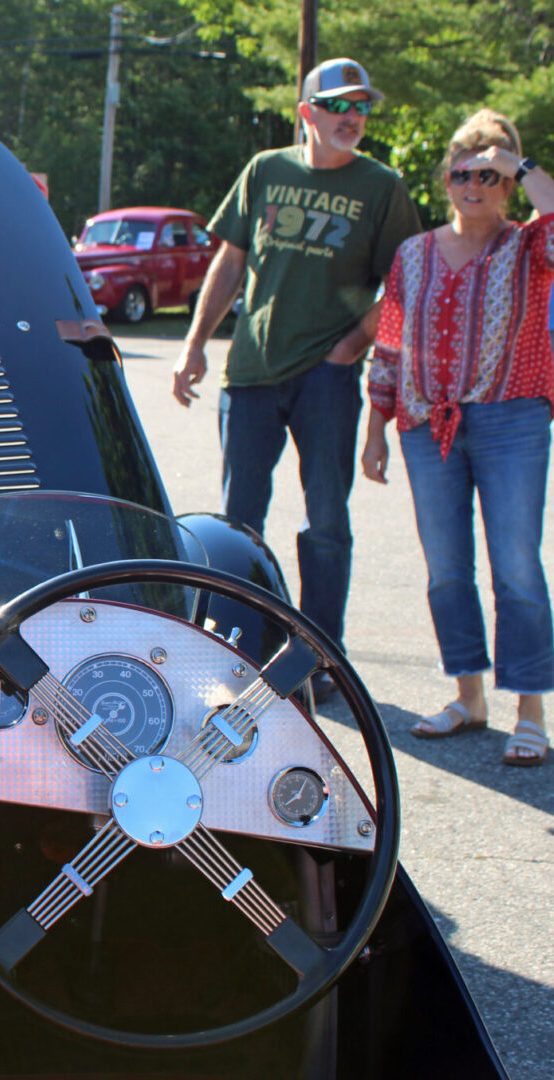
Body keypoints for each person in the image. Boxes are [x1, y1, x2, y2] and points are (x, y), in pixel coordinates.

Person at [172, 58, 421, 699]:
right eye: (339, 106)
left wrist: (349, 347)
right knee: (239, 523)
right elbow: (230, 263)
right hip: (251, 370)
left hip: (326, 379)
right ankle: (234, 649)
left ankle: (319, 657)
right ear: (307, 112)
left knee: (326, 520)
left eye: (362, 108)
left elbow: (404, 284)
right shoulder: (265, 171)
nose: (353, 118)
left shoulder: (382, 187)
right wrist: (194, 344)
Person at [362, 110, 554, 766]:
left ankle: (529, 707)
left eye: (487, 174)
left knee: (516, 568)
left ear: (506, 184)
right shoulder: (412, 253)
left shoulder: (529, 247)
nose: (471, 184)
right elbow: (388, 345)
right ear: (443, 178)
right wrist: (374, 430)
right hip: (422, 424)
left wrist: (522, 167)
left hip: (510, 420)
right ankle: (468, 696)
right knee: (446, 570)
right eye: (460, 171)